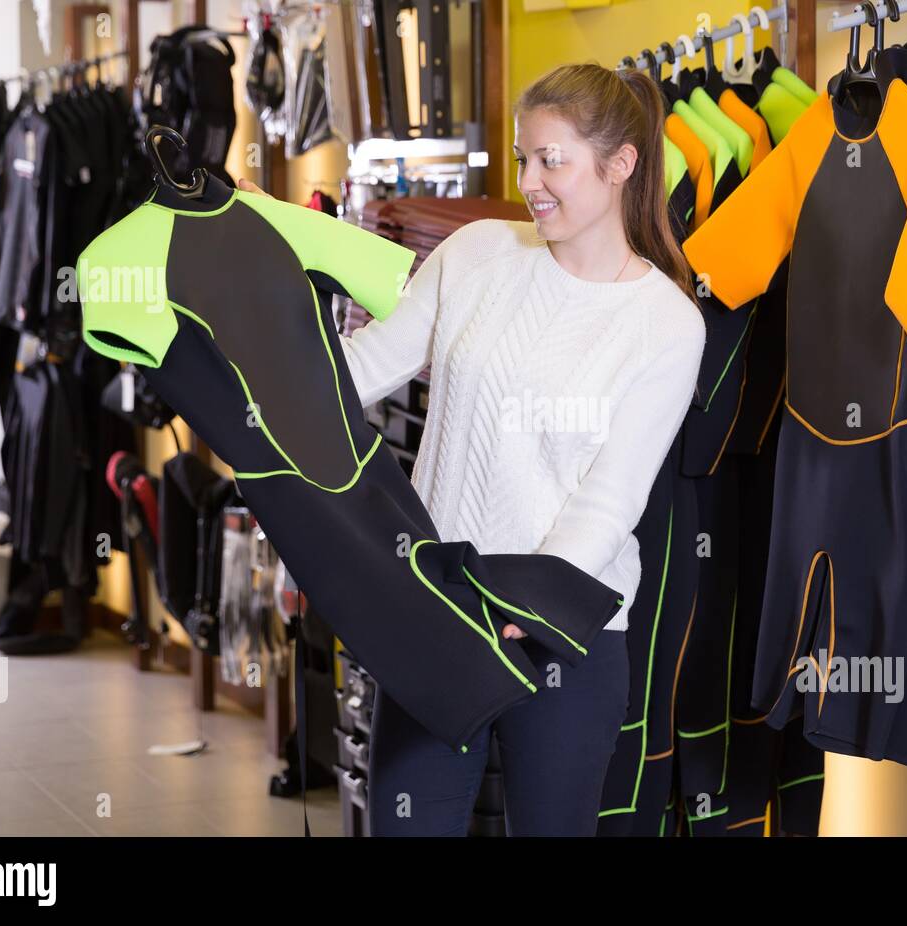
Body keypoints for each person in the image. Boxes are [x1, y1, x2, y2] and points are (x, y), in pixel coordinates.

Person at [239, 62, 704, 836]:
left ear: (620, 164)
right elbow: (359, 374)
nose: (531, 181)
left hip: (562, 639)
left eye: (552, 160)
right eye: (524, 158)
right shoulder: (481, 251)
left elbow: (612, 498)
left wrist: (517, 606)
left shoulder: (665, 322)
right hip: (438, 616)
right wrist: (257, 282)